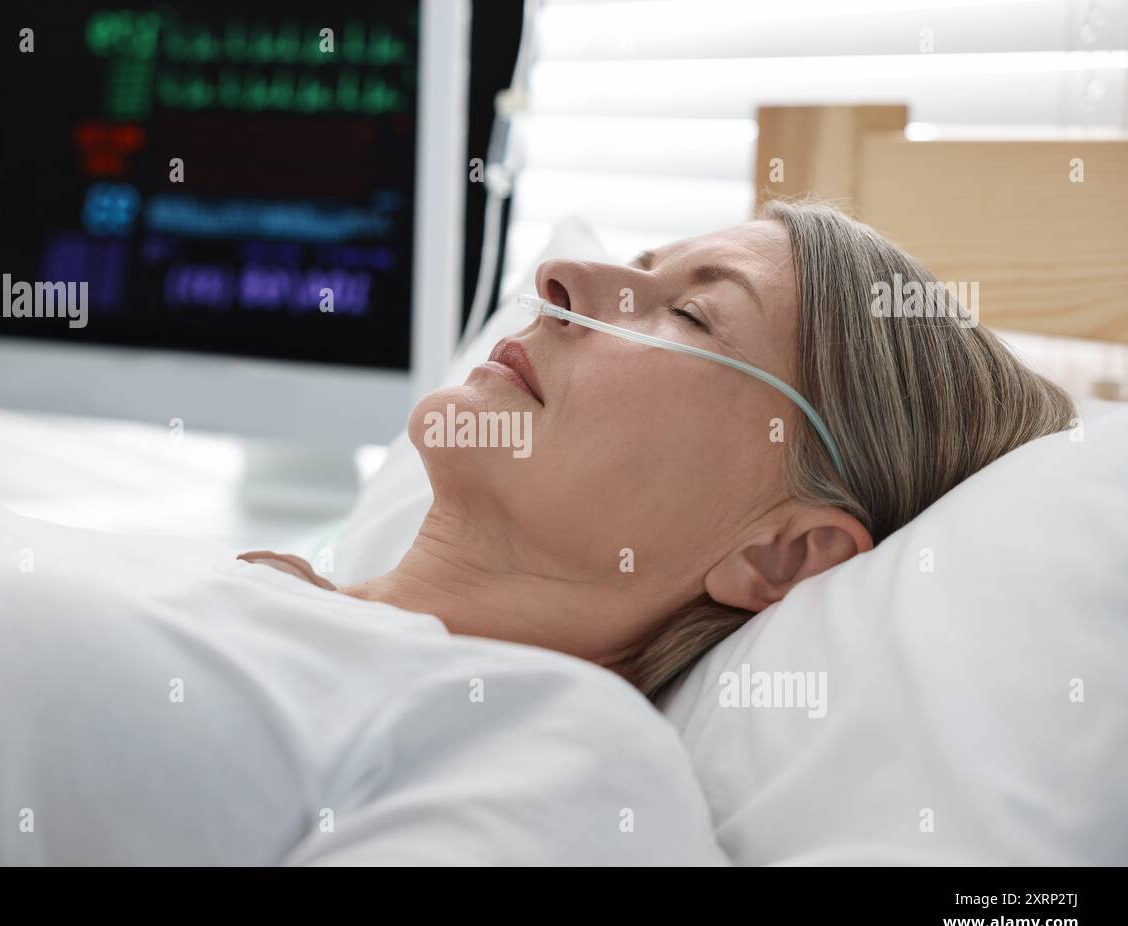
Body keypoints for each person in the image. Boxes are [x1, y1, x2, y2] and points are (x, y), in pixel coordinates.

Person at [246, 200, 1074, 705]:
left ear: (783, 554)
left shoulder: (540, 766)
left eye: (689, 316)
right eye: (642, 268)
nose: (558, 278)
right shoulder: (277, 614)